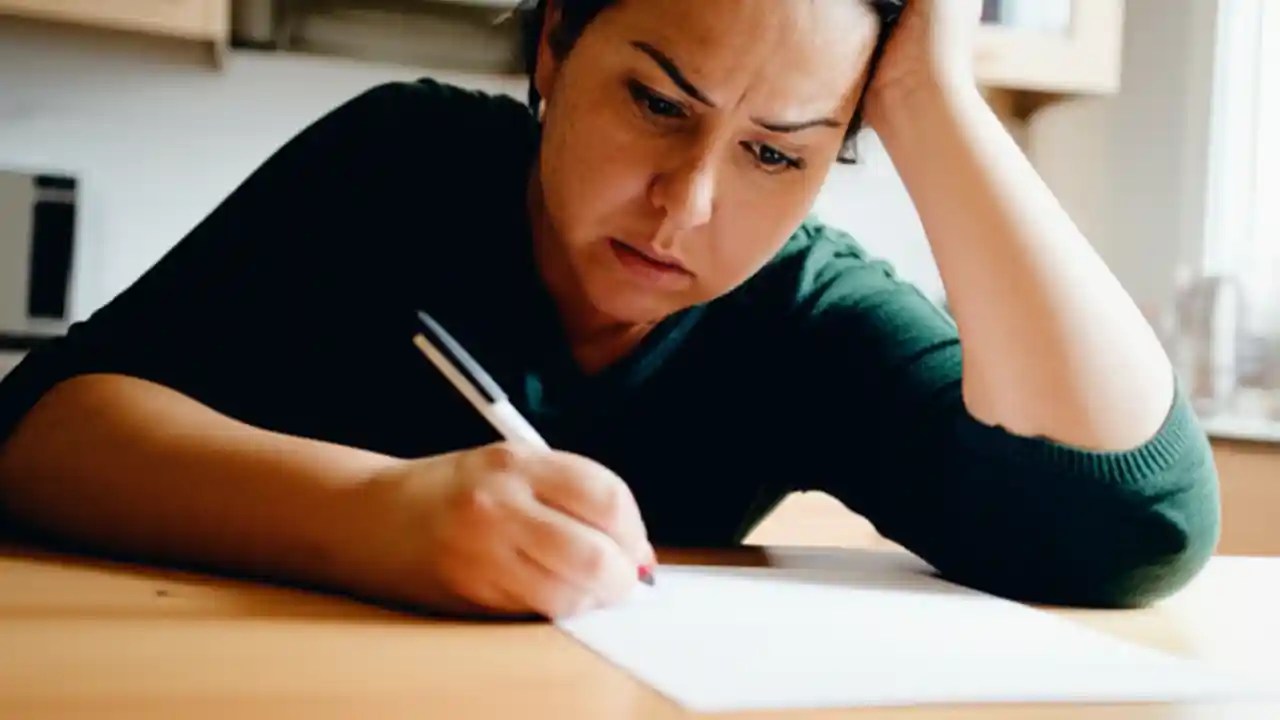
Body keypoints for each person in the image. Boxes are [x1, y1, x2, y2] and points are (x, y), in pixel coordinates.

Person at [0, 0, 1219, 618]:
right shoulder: (398, 163)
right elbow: (39, 435)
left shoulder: (805, 320)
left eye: (776, 155)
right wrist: (373, 515)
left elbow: (1136, 526)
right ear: (552, 52)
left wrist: (931, 97)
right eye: (654, 102)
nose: (685, 207)